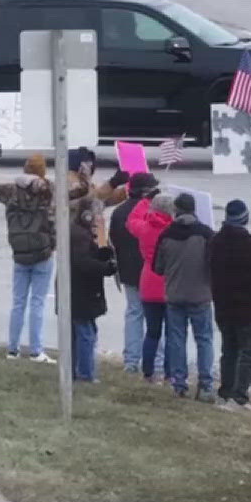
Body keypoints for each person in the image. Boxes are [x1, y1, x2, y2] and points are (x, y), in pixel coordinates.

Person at [0, 147, 57, 362]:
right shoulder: (49, 190)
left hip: (19, 251)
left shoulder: (10, 191)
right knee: (38, 302)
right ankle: (36, 350)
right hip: (42, 251)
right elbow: (75, 193)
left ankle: (12, 349)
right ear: (42, 172)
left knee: (18, 302)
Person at [209, 198, 251, 411]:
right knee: (249, 353)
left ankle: (226, 391)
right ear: (245, 219)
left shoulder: (215, 242)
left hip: (223, 306)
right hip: (249, 309)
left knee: (229, 351)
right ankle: (238, 396)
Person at [152, 191, 216, 400]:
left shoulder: (166, 234)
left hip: (175, 295)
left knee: (177, 339)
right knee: (204, 339)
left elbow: (158, 267)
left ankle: (179, 383)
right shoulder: (206, 234)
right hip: (201, 295)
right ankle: (205, 384)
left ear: (176, 210)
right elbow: (214, 263)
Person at [108, 171, 160, 374]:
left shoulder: (119, 212)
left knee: (133, 313)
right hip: (152, 270)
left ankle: (131, 360)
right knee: (156, 317)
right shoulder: (151, 212)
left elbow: (114, 240)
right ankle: (156, 360)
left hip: (127, 270)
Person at [125, 189, 175, 381]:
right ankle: (170, 372)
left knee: (152, 332)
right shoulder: (173, 231)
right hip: (170, 284)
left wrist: (145, 201)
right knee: (173, 333)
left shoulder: (144, 228)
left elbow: (132, 220)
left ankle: (148, 371)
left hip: (149, 283)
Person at [68, 197, 117, 382]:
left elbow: (97, 254)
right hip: (81, 290)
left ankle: (77, 370)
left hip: (81, 290)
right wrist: (105, 268)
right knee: (85, 333)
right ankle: (85, 373)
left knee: (81, 332)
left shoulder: (85, 233)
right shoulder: (80, 235)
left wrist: (103, 243)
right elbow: (83, 262)